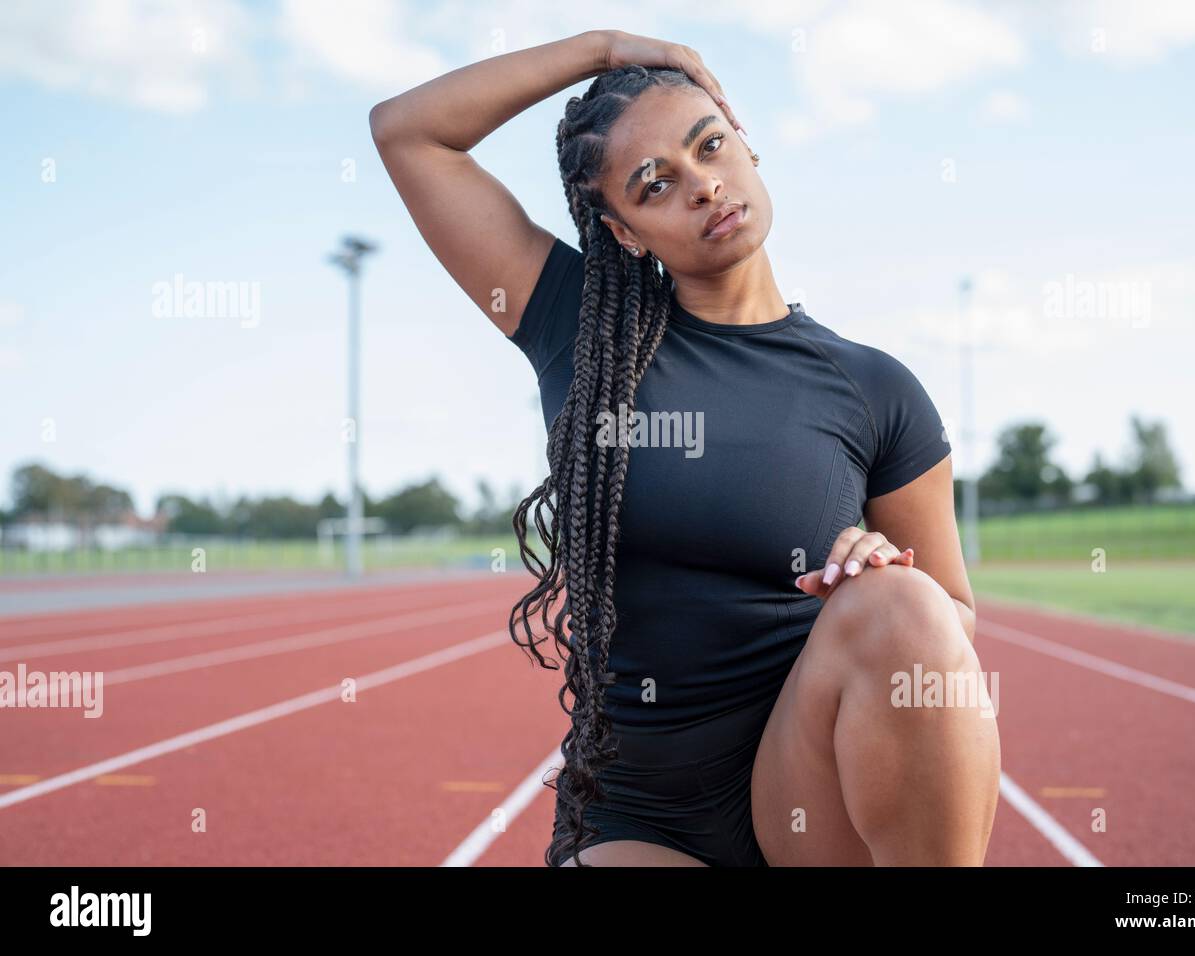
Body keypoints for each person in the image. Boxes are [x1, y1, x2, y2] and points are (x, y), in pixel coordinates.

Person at [371, 29, 1001, 868]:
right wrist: (602, 47)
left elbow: (952, 621)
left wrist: (886, 570)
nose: (704, 186)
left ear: (746, 143)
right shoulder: (575, 326)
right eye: (655, 184)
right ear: (625, 232)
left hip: (807, 786)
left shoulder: (876, 389)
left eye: (710, 146)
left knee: (905, 604)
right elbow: (407, 132)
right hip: (644, 812)